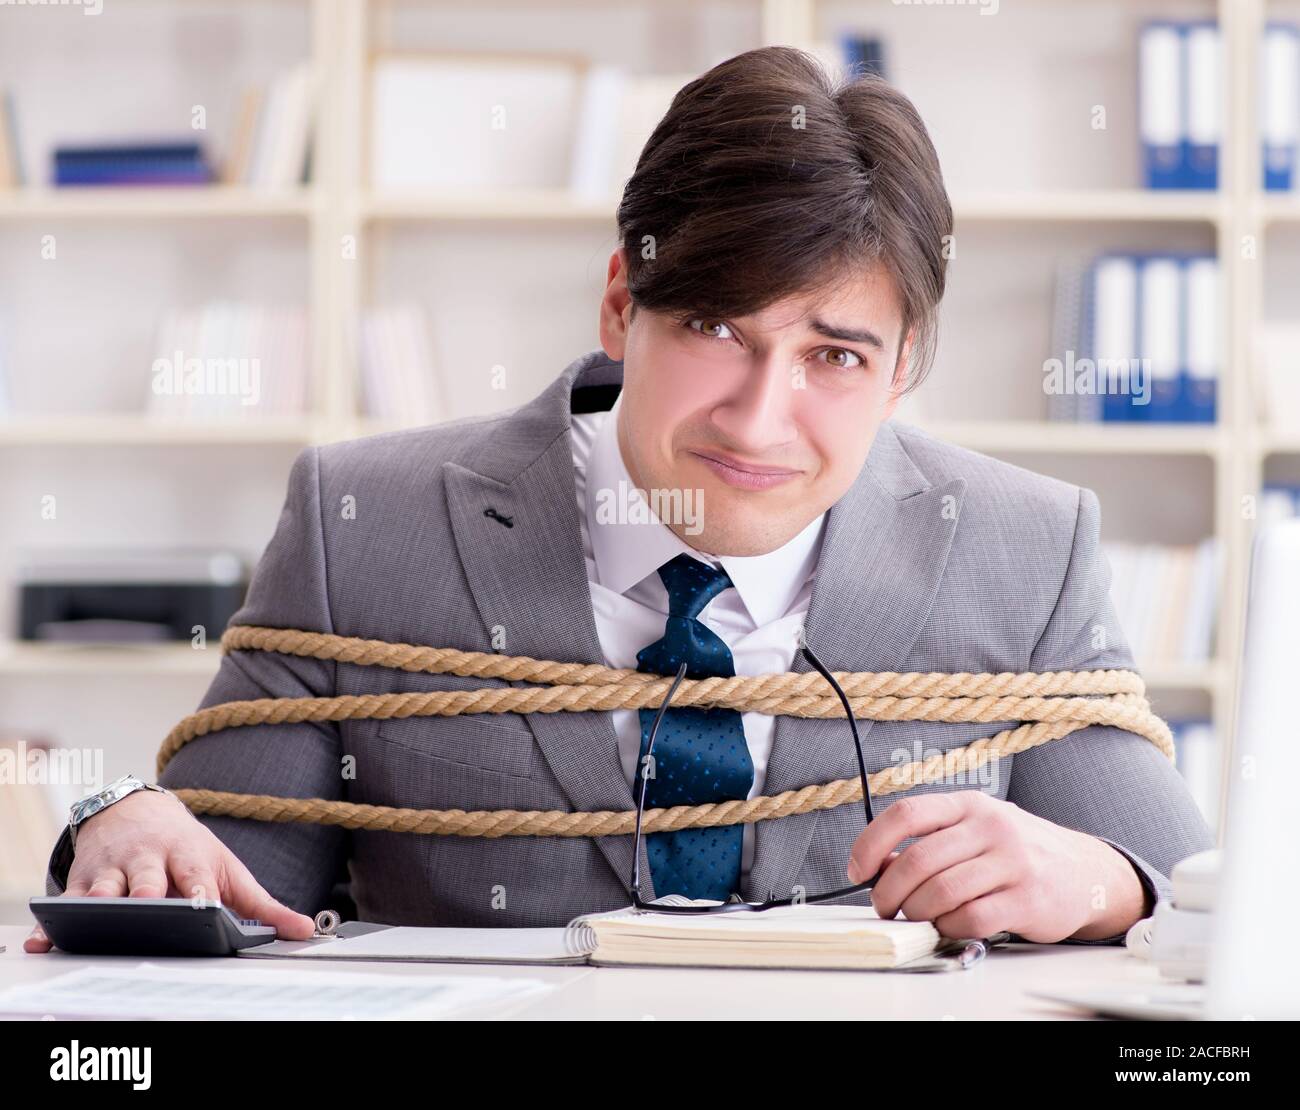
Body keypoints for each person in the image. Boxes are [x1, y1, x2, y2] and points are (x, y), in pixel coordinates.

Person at [28, 46, 1213, 953]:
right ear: (617, 305)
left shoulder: (1023, 547)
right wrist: (120, 822)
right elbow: (223, 893)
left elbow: (1199, 899)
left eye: (835, 357)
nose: (758, 420)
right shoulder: (365, 524)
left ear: (902, 366)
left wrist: (1104, 884)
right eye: (713, 329)